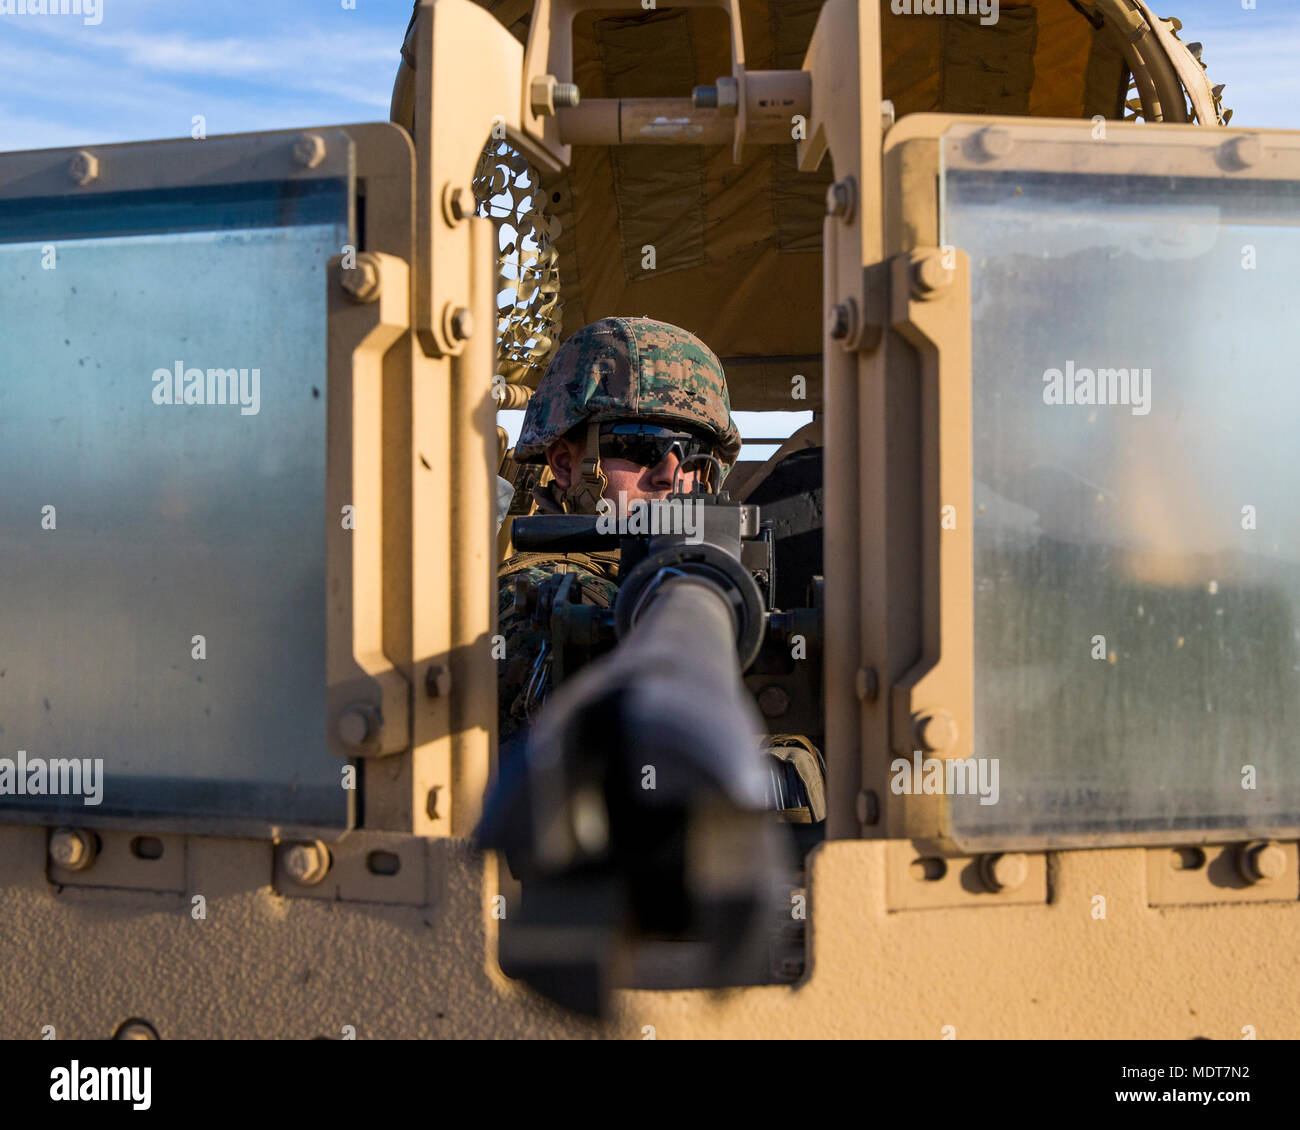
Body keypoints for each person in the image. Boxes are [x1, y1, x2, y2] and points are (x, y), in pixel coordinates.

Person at [496, 314, 825, 829]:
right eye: (642, 444)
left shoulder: (729, 585)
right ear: (564, 463)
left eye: (694, 453)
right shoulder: (539, 593)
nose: (671, 472)